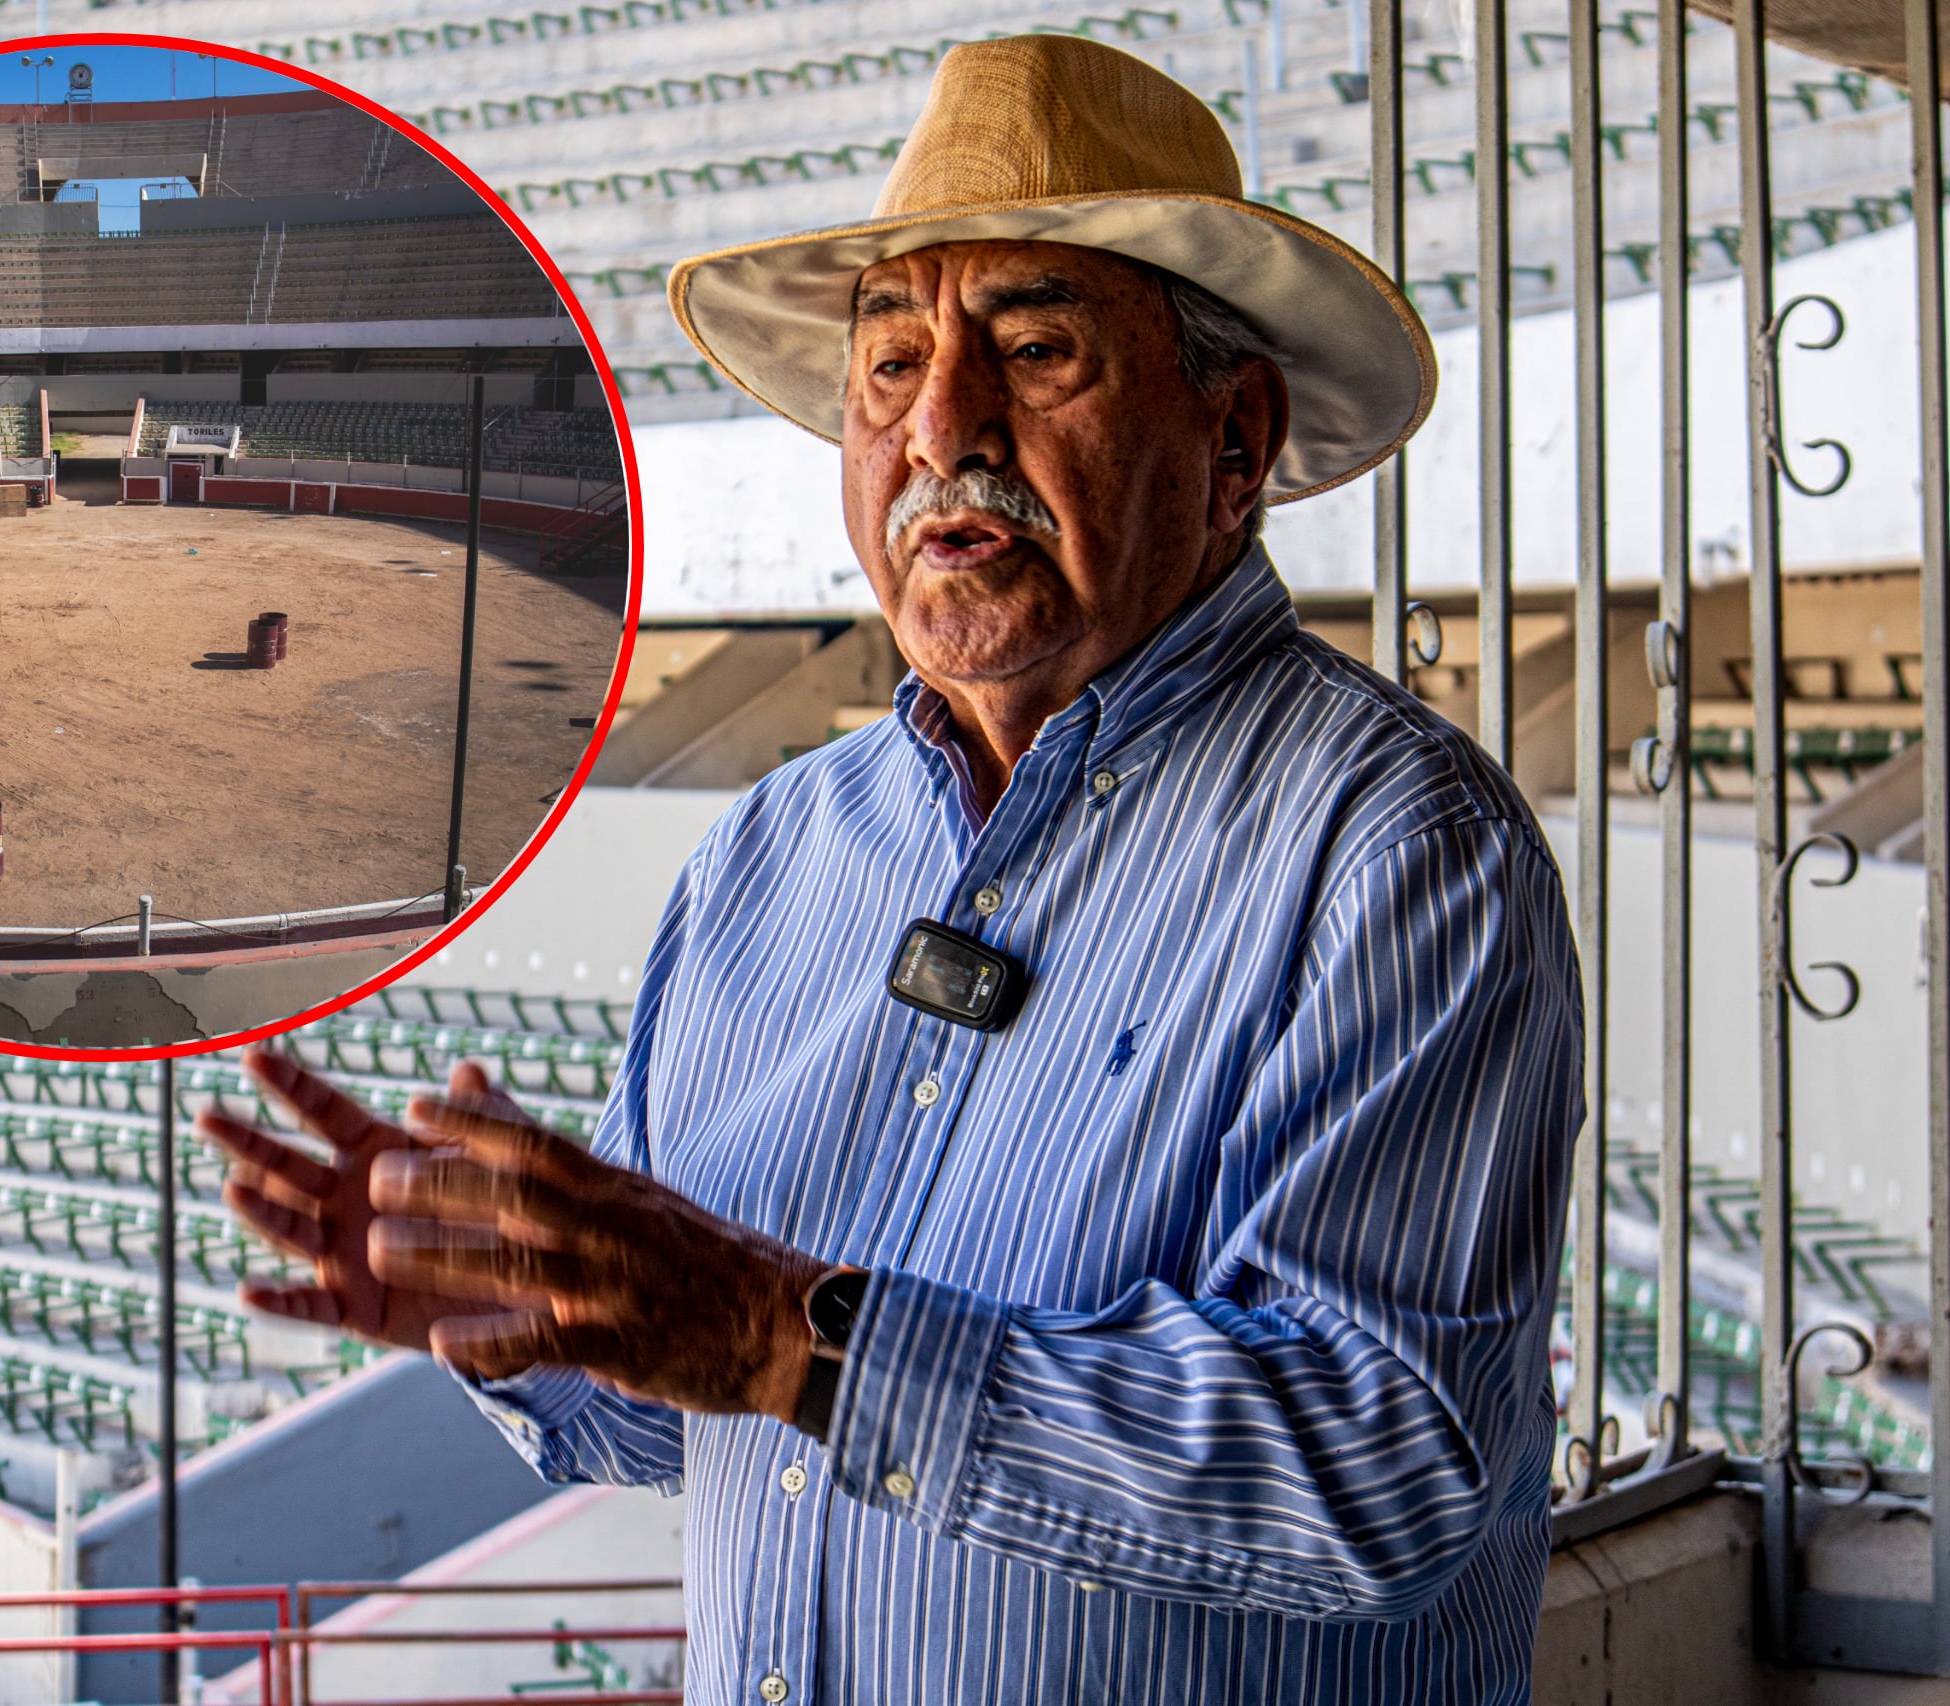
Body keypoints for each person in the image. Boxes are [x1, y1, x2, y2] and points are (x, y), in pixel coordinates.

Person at [209, 34, 1583, 1704]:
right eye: (889, 362)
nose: (942, 426)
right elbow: (684, 1408)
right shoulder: (767, 863)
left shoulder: (1397, 853)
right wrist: (530, 1309)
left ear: (1235, 440)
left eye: (1039, 347)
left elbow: (1370, 1473)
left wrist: (805, 1341)